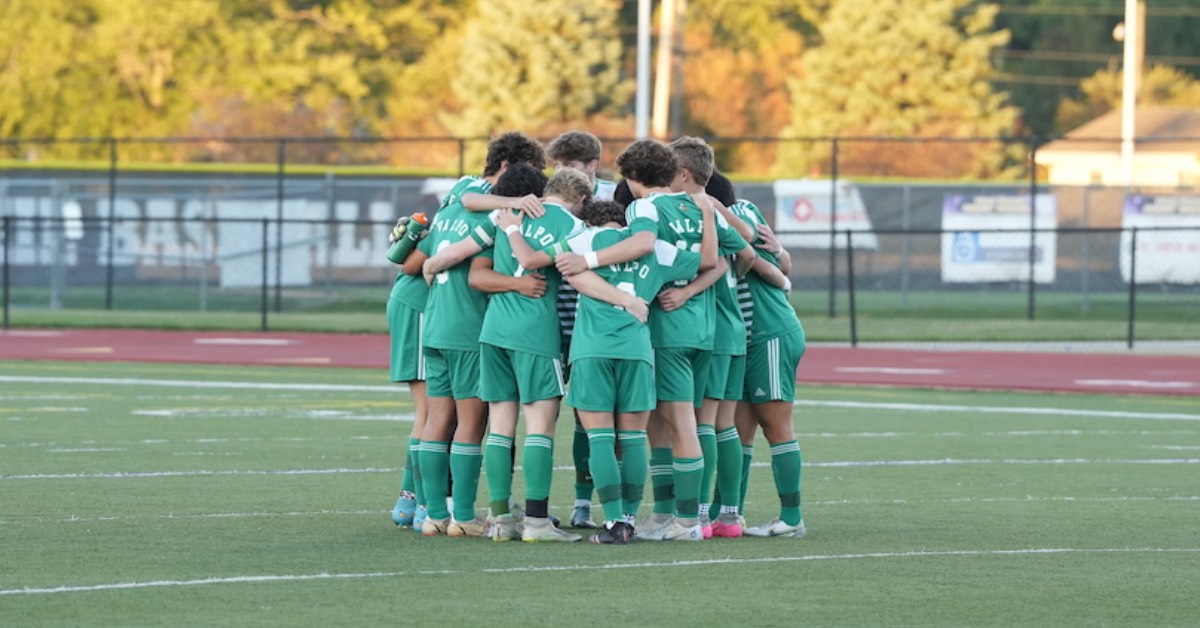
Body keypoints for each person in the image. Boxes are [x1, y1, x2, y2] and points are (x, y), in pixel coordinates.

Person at [557, 139, 745, 542]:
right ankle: (664, 514)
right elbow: (729, 255)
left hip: (661, 329)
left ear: (630, 177)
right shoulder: (696, 204)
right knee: (667, 427)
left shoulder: (642, 212)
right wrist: (708, 218)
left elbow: (630, 248)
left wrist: (587, 261)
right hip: (703, 328)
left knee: (676, 425)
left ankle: (685, 520)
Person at [505, 198, 714, 543]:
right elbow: (709, 261)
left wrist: (511, 228)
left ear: (589, 222)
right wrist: (707, 216)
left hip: (592, 350)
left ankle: (614, 522)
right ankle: (629, 520)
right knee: (633, 439)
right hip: (637, 350)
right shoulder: (656, 248)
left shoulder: (584, 239)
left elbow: (533, 260)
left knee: (600, 439)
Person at [399, 131, 547, 537]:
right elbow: (469, 263)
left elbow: (428, 258)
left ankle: (433, 514)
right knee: (470, 424)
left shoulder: (449, 209)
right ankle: (462, 516)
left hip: (435, 325)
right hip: (467, 328)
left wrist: (431, 267)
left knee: (436, 419)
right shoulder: (496, 218)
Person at [473, 167, 594, 542]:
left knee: (500, 426)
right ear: (581, 199)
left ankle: (500, 520)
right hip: (536, 332)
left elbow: (469, 253)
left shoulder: (507, 213)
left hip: (493, 329)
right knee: (540, 426)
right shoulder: (575, 227)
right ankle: (538, 523)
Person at [545, 130, 616, 529]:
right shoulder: (548, 198)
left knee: (591, 417)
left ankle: (586, 502)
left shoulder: (614, 197)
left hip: (597, 319)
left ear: (592, 166)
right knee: (544, 411)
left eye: (569, 165)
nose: (560, 172)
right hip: (554, 318)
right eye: (556, 165)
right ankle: (536, 505)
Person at [726, 197, 807, 539]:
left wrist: (782, 270)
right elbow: (779, 259)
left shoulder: (733, 210)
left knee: (776, 425)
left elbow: (770, 260)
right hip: (745, 337)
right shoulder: (734, 209)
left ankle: (791, 517)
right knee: (739, 429)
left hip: (768, 332)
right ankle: (731, 513)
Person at [386, 216, 431, 530]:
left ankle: (412, 501)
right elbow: (408, 264)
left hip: (427, 308)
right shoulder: (467, 207)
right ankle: (420, 503)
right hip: (419, 306)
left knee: (436, 412)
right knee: (430, 411)